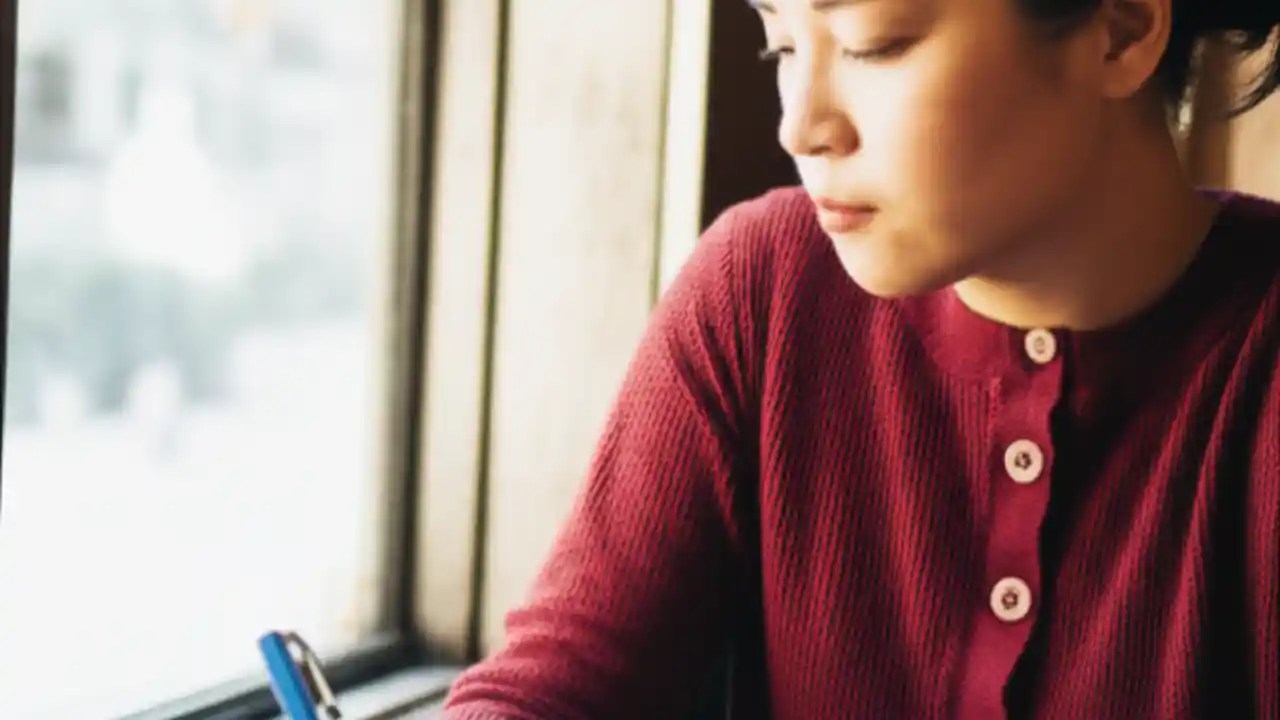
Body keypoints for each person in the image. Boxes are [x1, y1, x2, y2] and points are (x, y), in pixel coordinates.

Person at [442, 0, 1280, 717]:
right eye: (781, 43)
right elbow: (562, 680)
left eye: (873, 44)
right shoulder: (759, 291)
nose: (800, 125)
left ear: (1122, 28)